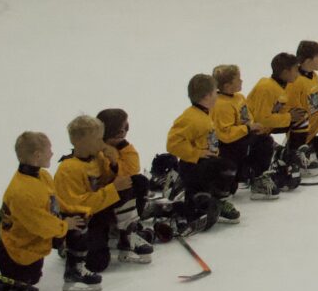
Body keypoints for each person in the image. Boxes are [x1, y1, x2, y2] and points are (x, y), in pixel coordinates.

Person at [0, 132, 80, 291]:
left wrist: (71, 211)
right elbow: (42, 225)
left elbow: (52, 202)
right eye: (49, 150)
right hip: (15, 250)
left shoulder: (43, 176)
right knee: (15, 287)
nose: (52, 153)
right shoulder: (23, 192)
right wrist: (65, 226)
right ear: (37, 155)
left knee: (32, 278)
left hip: (31, 246)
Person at [55, 114, 129, 291]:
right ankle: (70, 251)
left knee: (131, 185)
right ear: (80, 142)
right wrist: (113, 190)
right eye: (97, 139)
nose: (101, 143)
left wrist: (112, 165)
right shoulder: (68, 169)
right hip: (82, 218)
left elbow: (106, 181)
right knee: (98, 263)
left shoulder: (97, 158)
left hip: (98, 210)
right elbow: (76, 206)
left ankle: (125, 234)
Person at [167, 76, 242, 224]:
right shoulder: (191, 117)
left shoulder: (205, 113)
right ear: (207, 96)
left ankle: (207, 197)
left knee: (229, 172)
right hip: (193, 165)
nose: (217, 94)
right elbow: (173, 143)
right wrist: (197, 153)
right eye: (215, 92)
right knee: (226, 168)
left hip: (205, 162)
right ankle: (204, 196)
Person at [212, 64, 279, 197]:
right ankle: (240, 174)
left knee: (265, 141)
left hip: (242, 138)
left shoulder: (239, 97)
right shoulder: (220, 105)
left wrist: (255, 128)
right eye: (238, 79)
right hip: (227, 146)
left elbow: (248, 118)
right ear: (227, 86)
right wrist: (248, 128)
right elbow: (225, 134)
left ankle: (256, 175)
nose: (241, 81)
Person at [96, 109, 153, 264]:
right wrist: (114, 165)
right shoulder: (98, 151)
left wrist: (123, 147)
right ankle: (123, 231)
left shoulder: (121, 147)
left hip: (117, 193)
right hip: (102, 198)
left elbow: (133, 167)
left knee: (139, 181)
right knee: (128, 186)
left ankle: (129, 227)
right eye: (124, 127)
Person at [289, 40, 318, 166]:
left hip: (312, 126)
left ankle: (308, 147)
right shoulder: (296, 81)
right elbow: (292, 107)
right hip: (300, 129)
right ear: (308, 61)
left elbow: (316, 95)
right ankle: (293, 156)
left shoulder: (314, 76)